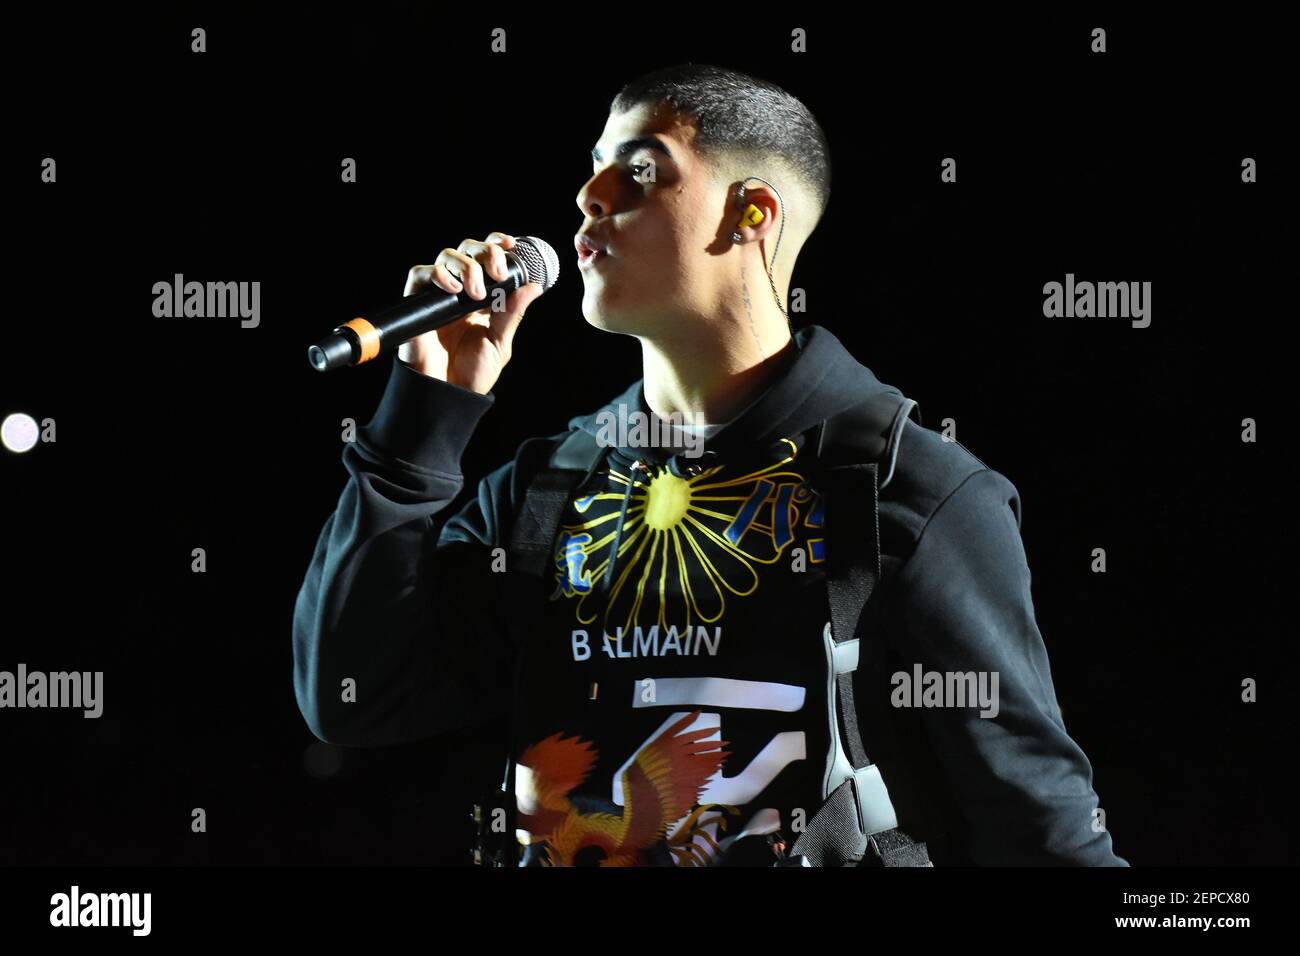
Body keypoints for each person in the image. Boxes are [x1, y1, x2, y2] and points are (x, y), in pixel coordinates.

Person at [292, 63, 1128, 867]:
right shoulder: (550, 486)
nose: (587, 196)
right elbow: (353, 698)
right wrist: (420, 426)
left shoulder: (914, 490)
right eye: (590, 169)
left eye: (640, 170)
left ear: (752, 212)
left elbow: (1040, 835)